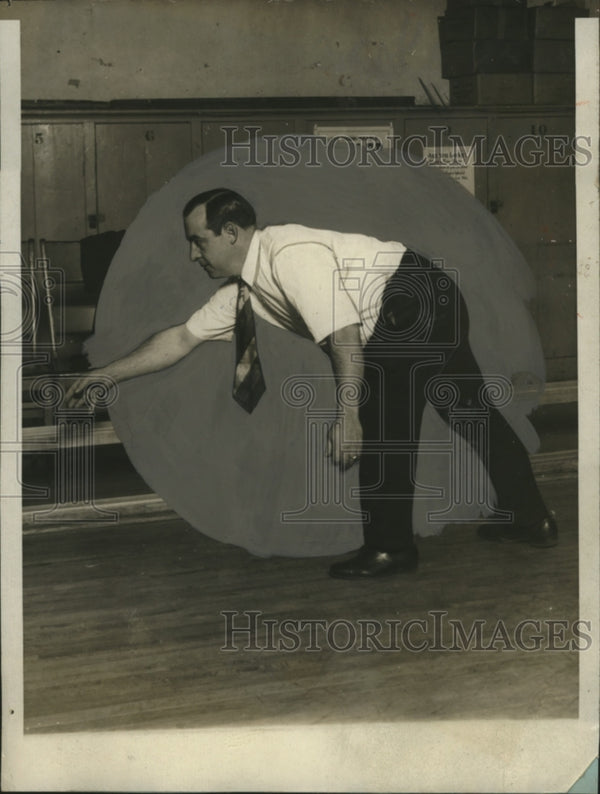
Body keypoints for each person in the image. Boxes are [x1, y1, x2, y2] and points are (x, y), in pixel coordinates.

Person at [66, 187, 557, 578]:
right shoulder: (245, 292)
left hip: (411, 298)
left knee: (382, 421)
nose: (193, 253)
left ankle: (391, 550)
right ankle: (531, 518)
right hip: (428, 291)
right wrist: (106, 372)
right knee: (469, 410)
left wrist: (347, 418)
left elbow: (345, 336)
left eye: (200, 240)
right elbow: (178, 339)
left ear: (232, 232)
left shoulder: (289, 256)